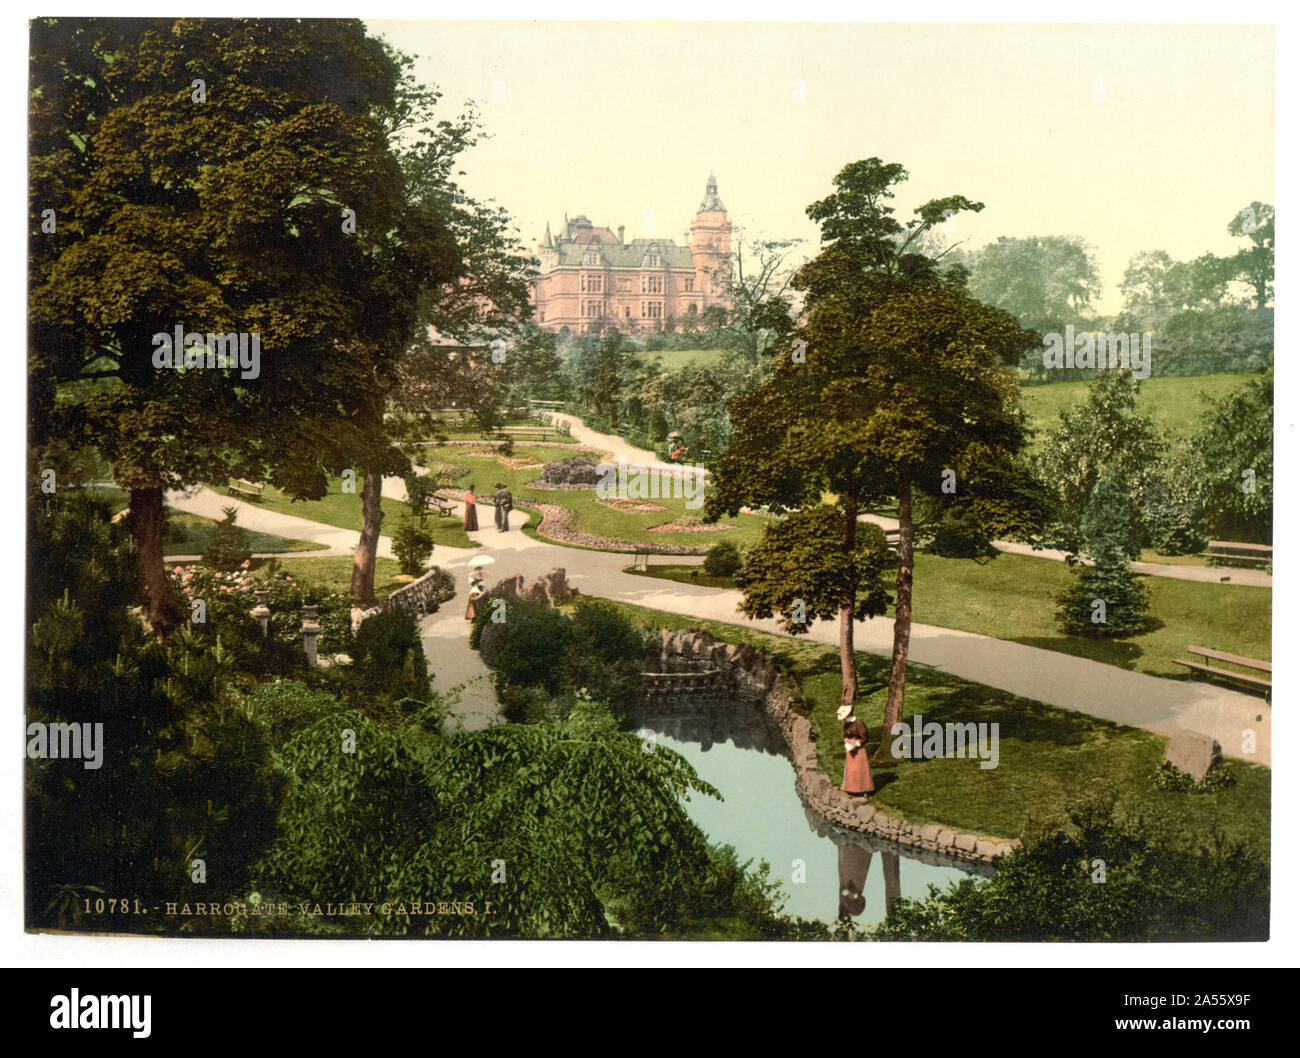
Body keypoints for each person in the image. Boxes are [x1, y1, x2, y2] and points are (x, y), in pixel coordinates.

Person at [838, 704, 875, 796]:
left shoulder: (858, 724)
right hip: (849, 748)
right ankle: (850, 788)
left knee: (859, 769)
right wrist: (846, 740)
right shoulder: (846, 724)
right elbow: (845, 735)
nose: (843, 720)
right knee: (851, 769)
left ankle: (863, 789)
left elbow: (864, 737)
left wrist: (856, 744)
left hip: (858, 749)